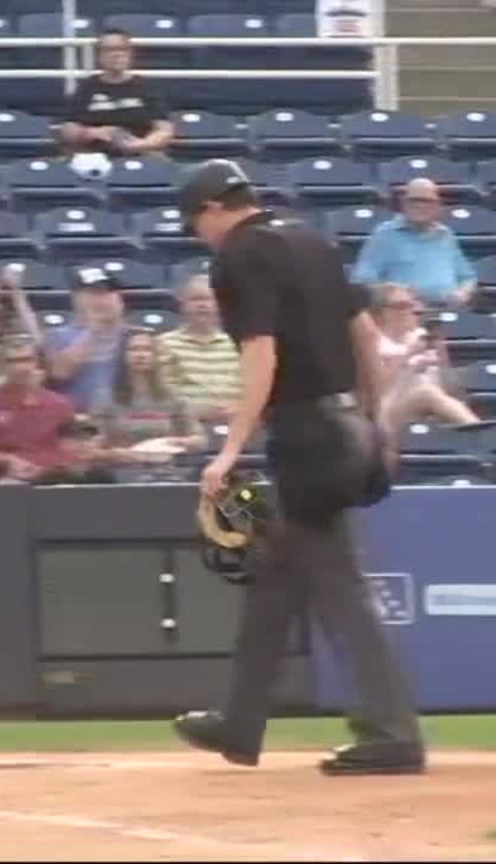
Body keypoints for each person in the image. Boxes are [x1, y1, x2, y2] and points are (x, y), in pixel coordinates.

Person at [168, 160, 425, 777]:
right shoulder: (310, 241)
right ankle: (240, 720)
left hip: (307, 433)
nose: (200, 234)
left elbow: (261, 354)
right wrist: (376, 421)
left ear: (212, 209)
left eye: (195, 222)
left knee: (338, 586)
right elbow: (365, 336)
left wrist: (229, 450)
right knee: (275, 578)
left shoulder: (237, 255)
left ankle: (392, 733)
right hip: (343, 425)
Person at [0, 335, 81, 482]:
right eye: (12, 361)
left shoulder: (61, 403)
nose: (20, 367)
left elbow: (72, 452)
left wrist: (46, 471)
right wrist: (9, 460)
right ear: (3, 366)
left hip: (53, 478)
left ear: (37, 363)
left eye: (26, 360)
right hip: (8, 478)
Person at [371, 284, 486, 432]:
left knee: (432, 393)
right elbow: (379, 390)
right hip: (385, 415)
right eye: (402, 306)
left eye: (412, 305)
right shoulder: (375, 342)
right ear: (381, 313)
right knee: (425, 393)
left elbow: (451, 391)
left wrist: (441, 355)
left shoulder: (420, 337)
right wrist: (408, 357)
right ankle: (481, 433)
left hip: (430, 413)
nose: (412, 311)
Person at [350, 178, 477, 308]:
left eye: (426, 201)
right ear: (403, 203)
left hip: (447, 311)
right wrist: (394, 293)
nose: (419, 205)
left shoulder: (445, 235)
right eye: (413, 200)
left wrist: (462, 293)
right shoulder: (385, 234)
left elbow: (468, 278)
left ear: (438, 206)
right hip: (403, 313)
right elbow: (362, 282)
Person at [96, 328, 206, 473]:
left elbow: (200, 440)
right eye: (133, 349)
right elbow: (90, 448)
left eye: (147, 350)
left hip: (167, 470)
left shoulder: (173, 396)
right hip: (120, 470)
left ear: (156, 356)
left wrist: (177, 442)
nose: (140, 355)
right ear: (122, 356)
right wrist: (115, 454)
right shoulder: (105, 398)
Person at [57, 28, 175, 158]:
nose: (116, 54)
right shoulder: (86, 87)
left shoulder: (146, 86)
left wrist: (140, 144)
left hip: (140, 153)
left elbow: (164, 129)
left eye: (122, 49)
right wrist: (92, 133)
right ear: (99, 56)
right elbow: (67, 130)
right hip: (94, 154)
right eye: (109, 50)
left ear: (131, 54)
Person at [157, 274, 240, 423]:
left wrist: (239, 408)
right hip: (185, 426)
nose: (202, 305)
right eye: (196, 299)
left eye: (208, 299)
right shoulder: (163, 344)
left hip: (236, 424)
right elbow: (161, 395)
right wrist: (195, 411)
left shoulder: (238, 344)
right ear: (182, 305)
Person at [45, 266, 127, 411]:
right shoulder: (58, 335)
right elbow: (60, 373)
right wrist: (92, 331)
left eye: (108, 292)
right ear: (76, 298)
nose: (103, 299)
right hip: (77, 419)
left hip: (123, 419)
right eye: (94, 293)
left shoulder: (131, 336)